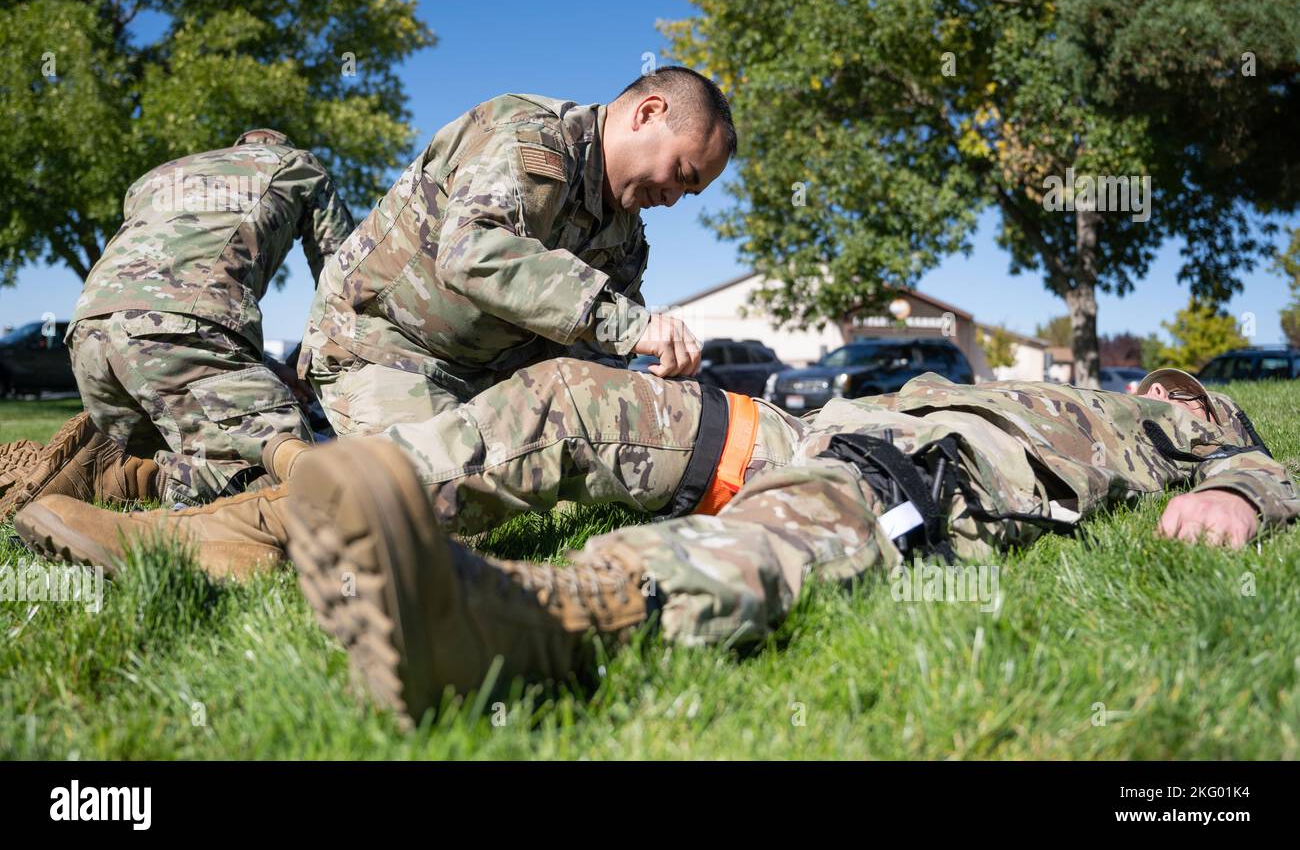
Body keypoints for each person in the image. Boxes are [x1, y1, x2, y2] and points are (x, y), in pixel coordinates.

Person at [15, 360, 1295, 722]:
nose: (1169, 381)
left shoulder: (1179, 430)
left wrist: (1235, 494)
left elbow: (1264, 467)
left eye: (1187, 387)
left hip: (911, 464)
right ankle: (222, 535)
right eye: (1163, 376)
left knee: (827, 513)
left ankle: (546, 613)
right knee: (567, 398)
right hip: (811, 413)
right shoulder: (1065, 368)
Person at [298, 66, 734, 436]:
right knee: (435, 500)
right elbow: (474, 252)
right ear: (649, 113)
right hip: (383, 348)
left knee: (579, 498)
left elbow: (597, 358)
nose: (672, 198)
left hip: (485, 378)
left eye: (688, 193)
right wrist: (627, 323)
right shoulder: (530, 137)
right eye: (680, 172)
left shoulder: (625, 235)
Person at [26, 129, 354, 510]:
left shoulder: (154, 177)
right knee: (286, 470)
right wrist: (312, 368)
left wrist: (269, 369)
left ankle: (121, 464)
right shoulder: (298, 165)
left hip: (88, 341)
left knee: (197, 433)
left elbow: (155, 295)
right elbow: (345, 280)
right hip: (178, 336)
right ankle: (161, 490)